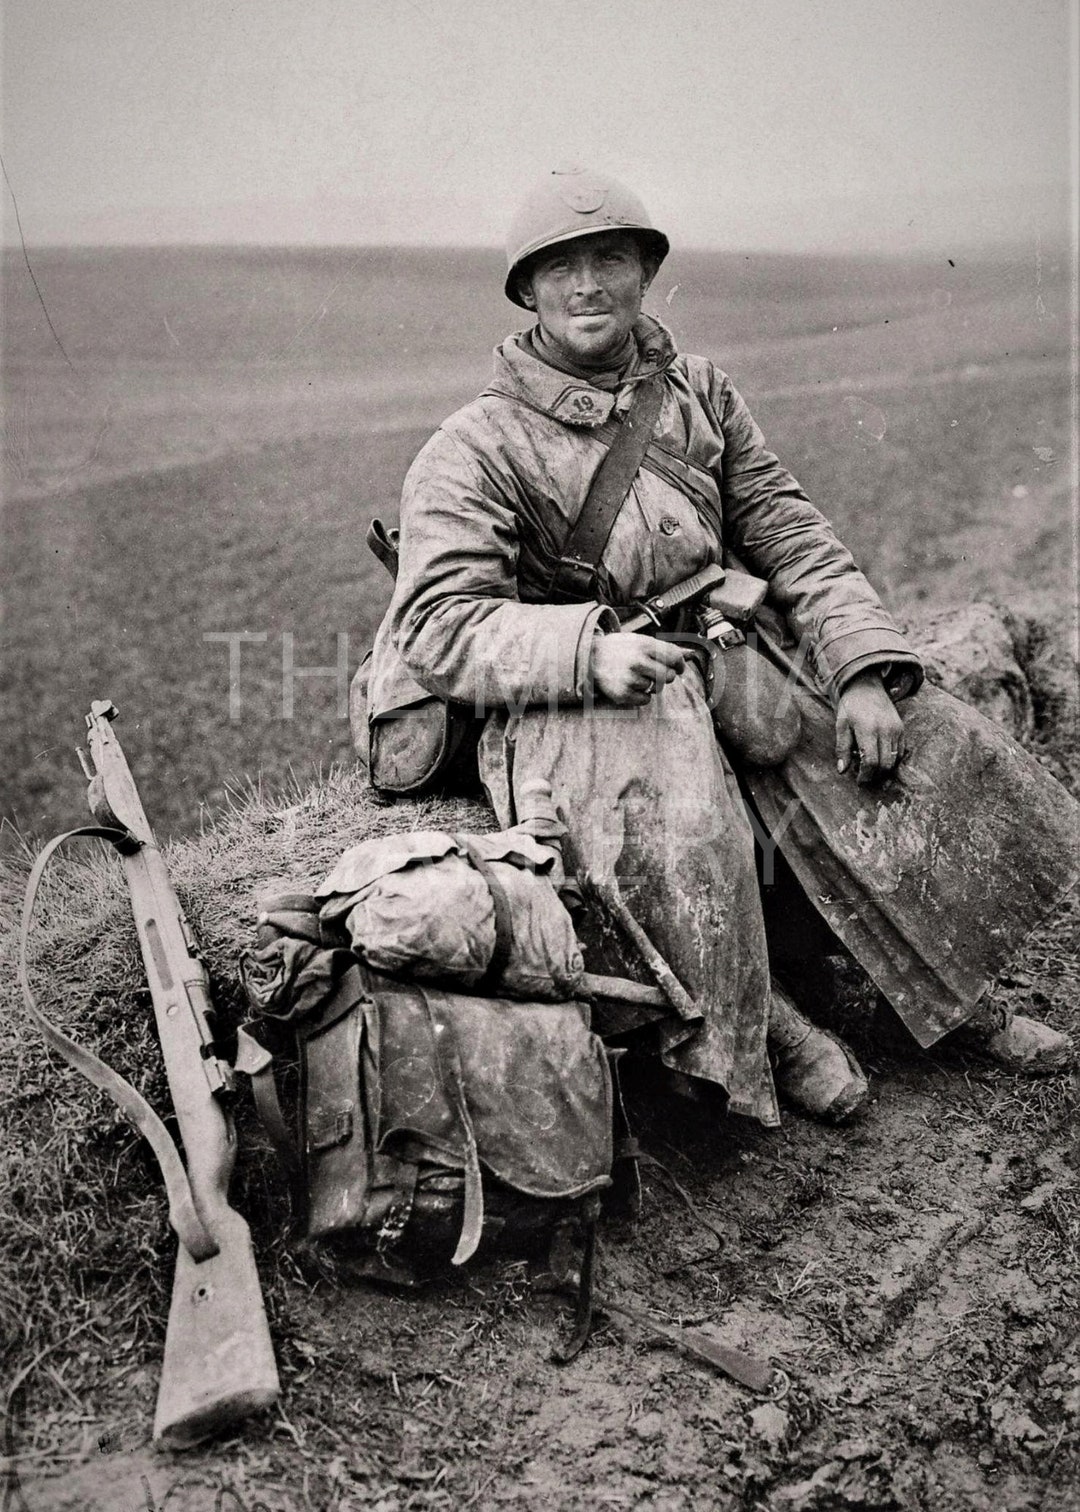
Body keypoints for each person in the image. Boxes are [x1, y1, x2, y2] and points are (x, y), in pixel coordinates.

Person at [361, 165, 1075, 1131]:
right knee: (677, 820)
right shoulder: (473, 447)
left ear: (645, 274)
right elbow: (443, 623)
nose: (587, 286)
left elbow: (786, 527)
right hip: (580, 694)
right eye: (560, 266)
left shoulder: (696, 394)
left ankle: (948, 996)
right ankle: (768, 1028)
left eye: (609, 258)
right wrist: (587, 652)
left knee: (911, 740)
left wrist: (861, 667)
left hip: (724, 645)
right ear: (526, 290)